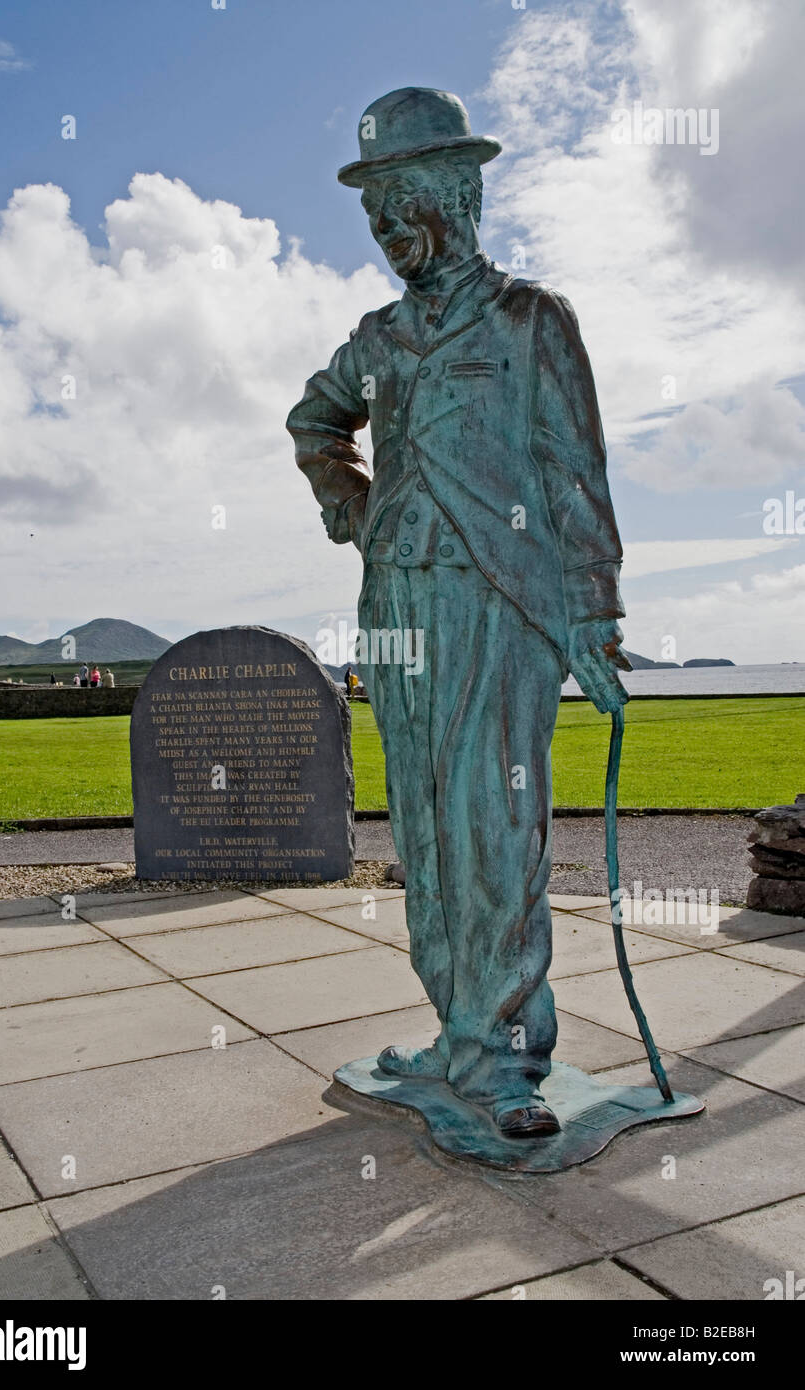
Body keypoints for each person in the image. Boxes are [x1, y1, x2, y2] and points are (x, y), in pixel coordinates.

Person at [287, 88, 629, 1139]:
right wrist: (353, 508)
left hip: (499, 604)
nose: (393, 235)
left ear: (463, 195)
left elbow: (576, 480)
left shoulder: (531, 322)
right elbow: (313, 419)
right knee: (428, 835)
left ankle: (510, 1058)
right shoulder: (378, 338)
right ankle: (458, 1033)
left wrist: (593, 616)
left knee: (497, 827)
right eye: (377, 219)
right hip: (395, 604)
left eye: (407, 209)